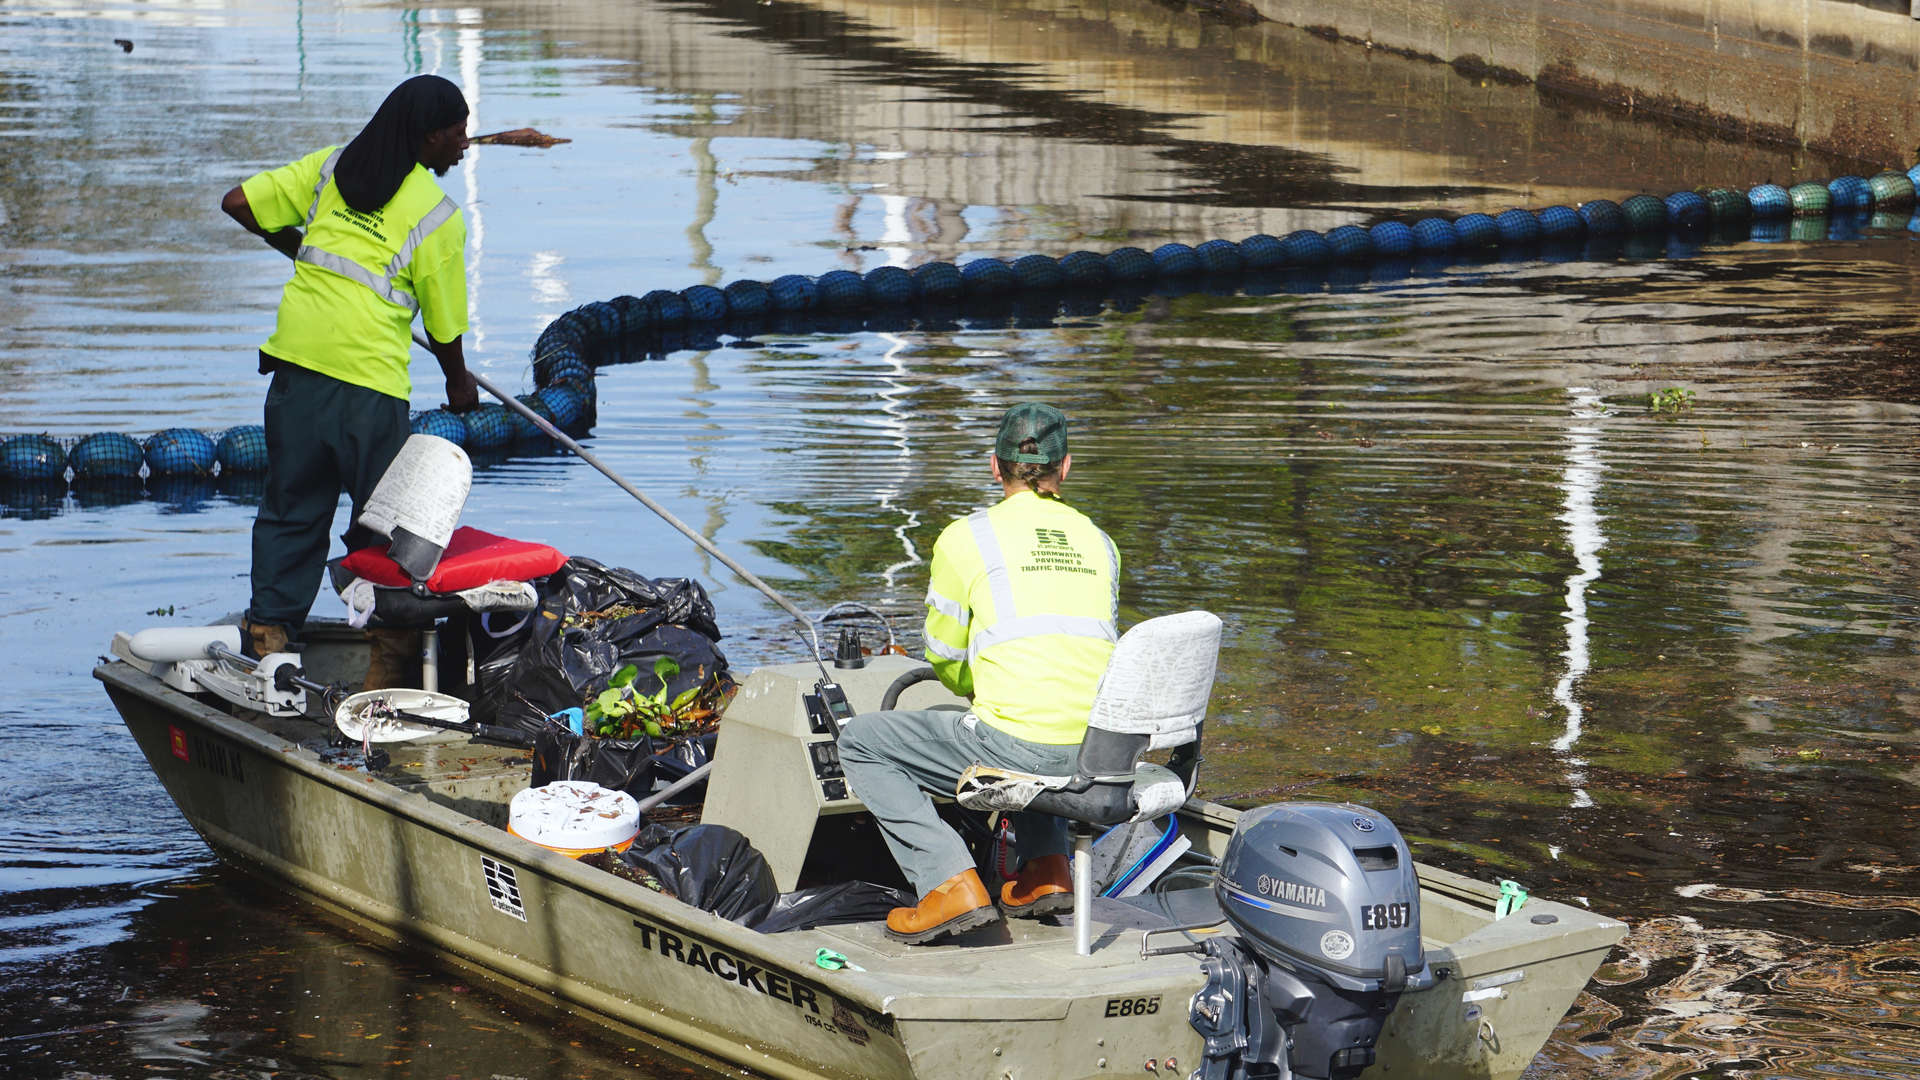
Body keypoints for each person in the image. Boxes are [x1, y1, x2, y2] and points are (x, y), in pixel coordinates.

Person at [220, 75, 479, 686]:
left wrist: (298, 247)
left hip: (298, 373)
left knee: (291, 510)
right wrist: (460, 385)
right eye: (458, 132)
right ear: (429, 135)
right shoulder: (438, 214)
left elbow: (240, 203)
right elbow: (444, 329)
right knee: (387, 525)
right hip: (368, 386)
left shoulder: (330, 167)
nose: (465, 145)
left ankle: (271, 644)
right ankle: (390, 671)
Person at [838, 403, 1121, 944]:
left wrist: (979, 690)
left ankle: (948, 884)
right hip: (1099, 752)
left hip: (1025, 749)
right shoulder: (1102, 544)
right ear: (1067, 468)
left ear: (996, 466)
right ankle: (1046, 870)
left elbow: (944, 653)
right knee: (1036, 722)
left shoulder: (966, 537)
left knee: (861, 742)